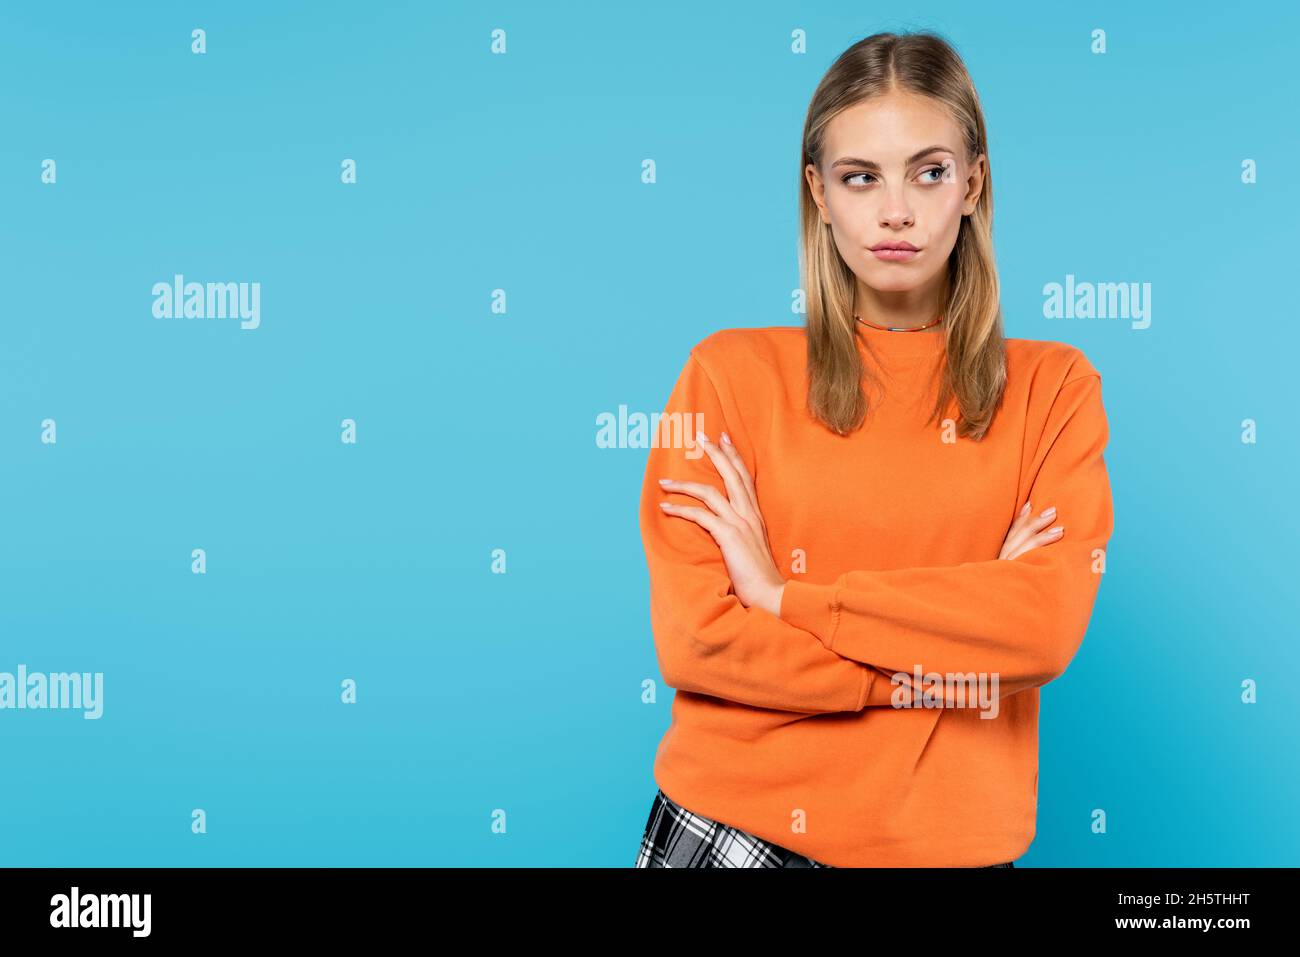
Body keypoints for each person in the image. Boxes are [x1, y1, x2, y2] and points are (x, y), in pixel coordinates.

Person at [634, 30, 1113, 868]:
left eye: (929, 172)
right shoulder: (728, 375)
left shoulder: (1053, 389)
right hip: (736, 831)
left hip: (953, 847)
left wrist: (786, 599)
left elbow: (1041, 629)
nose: (897, 210)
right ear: (819, 194)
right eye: (862, 177)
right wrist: (951, 667)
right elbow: (699, 638)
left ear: (974, 184)